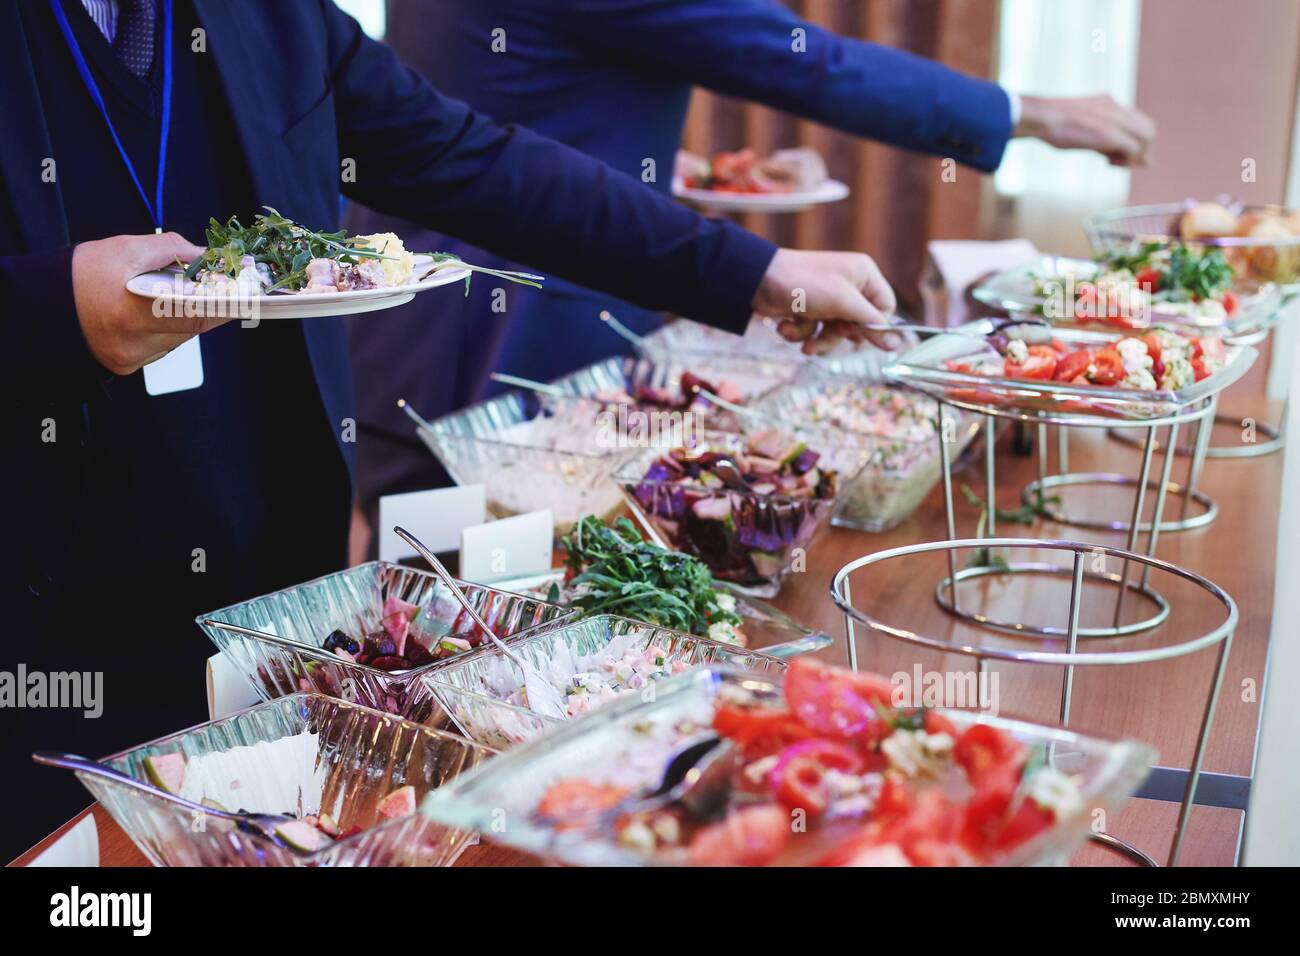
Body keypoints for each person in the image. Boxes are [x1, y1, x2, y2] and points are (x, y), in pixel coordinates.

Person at [0, 0, 898, 858]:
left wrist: (752, 269)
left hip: (266, 613)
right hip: (40, 641)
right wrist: (50, 310)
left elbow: (465, 157)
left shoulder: (271, 13)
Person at [345, 0, 1157, 540]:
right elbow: (804, 61)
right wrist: (1029, 114)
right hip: (493, 341)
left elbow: (522, 84)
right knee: (458, 650)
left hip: (424, 317)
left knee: (453, 639)